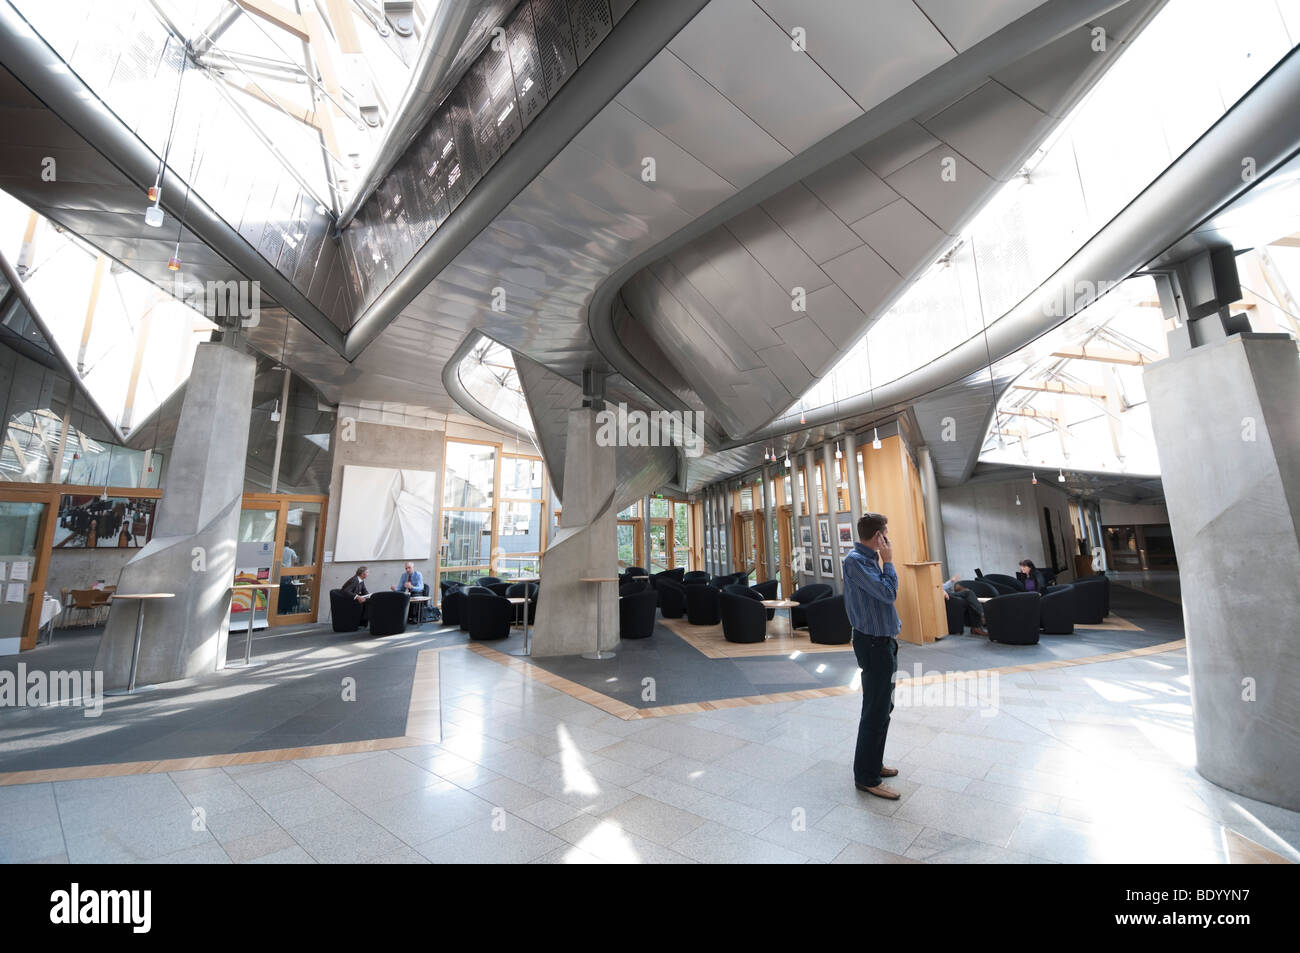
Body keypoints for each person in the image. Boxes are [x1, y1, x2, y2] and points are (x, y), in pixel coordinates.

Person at [842, 512, 902, 801]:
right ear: (878, 536)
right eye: (886, 532)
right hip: (873, 645)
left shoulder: (869, 560)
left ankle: (874, 763)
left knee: (884, 708)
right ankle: (866, 777)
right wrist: (889, 562)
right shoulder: (856, 561)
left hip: (885, 642)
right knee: (874, 710)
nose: (888, 537)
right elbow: (888, 593)